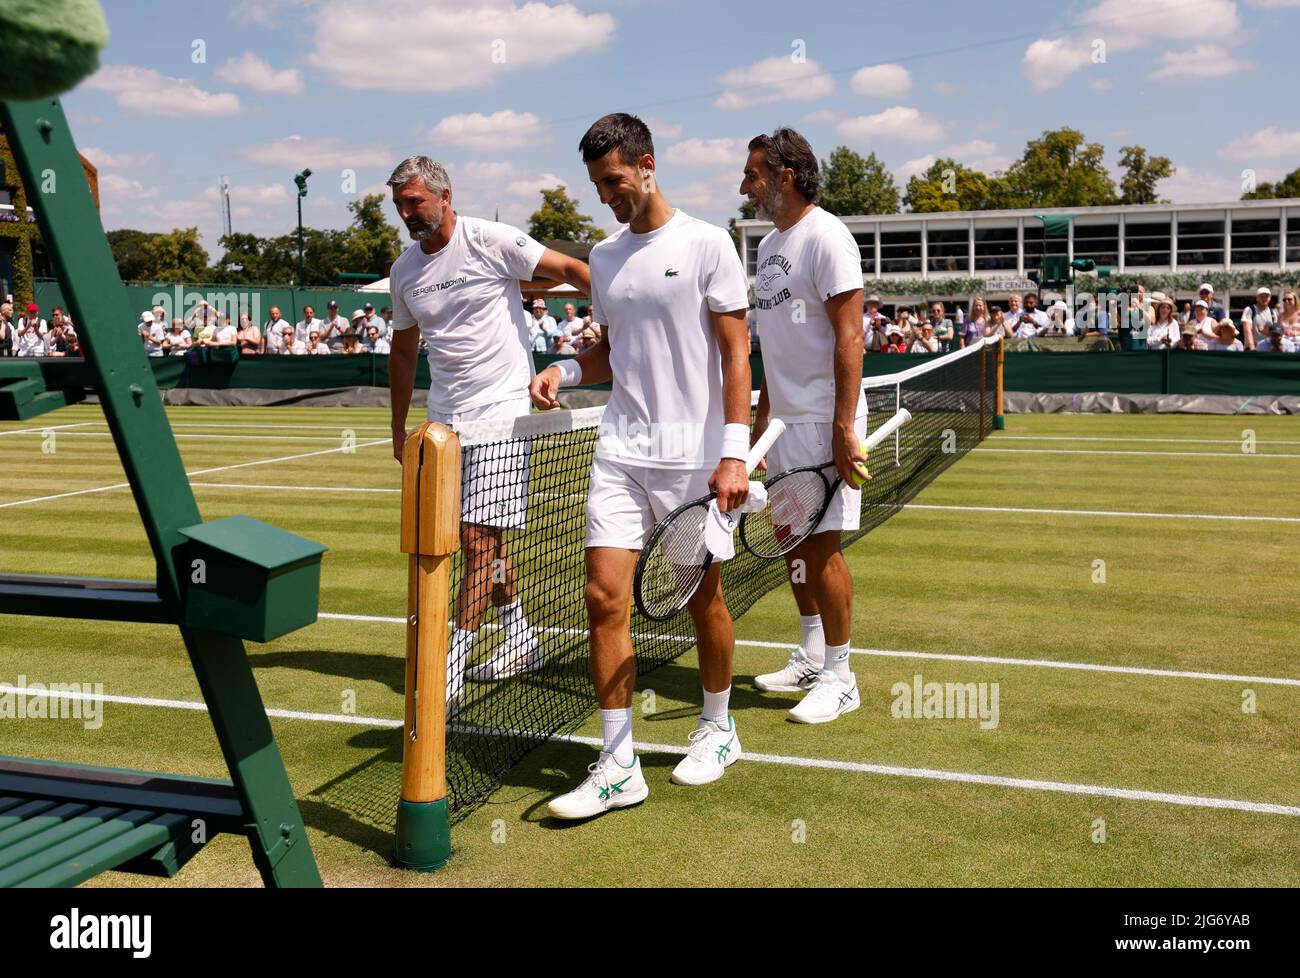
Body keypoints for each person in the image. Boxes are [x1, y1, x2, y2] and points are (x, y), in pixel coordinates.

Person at [528, 114, 750, 817]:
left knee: (700, 596)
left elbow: (737, 354)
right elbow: (610, 352)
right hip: (622, 451)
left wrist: (734, 452)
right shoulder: (606, 256)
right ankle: (619, 762)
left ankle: (718, 725)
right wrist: (565, 367)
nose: (605, 196)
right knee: (603, 597)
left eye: (614, 181)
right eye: (596, 184)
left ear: (648, 164)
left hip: (693, 458)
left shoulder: (709, 243)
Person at [386, 154, 591, 706]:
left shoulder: (491, 239)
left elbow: (575, 271)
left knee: (476, 541)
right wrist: (397, 424)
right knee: (481, 539)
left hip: (503, 412)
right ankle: (520, 635)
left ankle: (451, 660)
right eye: (400, 204)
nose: (407, 213)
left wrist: (621, 323)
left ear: (445, 196)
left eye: (416, 202)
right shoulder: (404, 270)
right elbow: (403, 353)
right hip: (444, 421)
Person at [737, 127, 867, 723]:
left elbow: (850, 335)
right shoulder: (767, 249)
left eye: (753, 174)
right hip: (785, 423)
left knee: (822, 550)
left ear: (785, 177)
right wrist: (762, 425)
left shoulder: (828, 236)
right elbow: (775, 344)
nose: (745, 186)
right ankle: (814, 652)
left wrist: (844, 427)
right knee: (791, 542)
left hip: (823, 422)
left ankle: (842, 675)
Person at [1240, 287, 1275, 351]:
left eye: (1266, 296)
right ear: (1257, 298)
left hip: (1268, 348)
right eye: (1261, 296)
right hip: (1254, 348)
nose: (1264, 298)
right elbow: (1247, 330)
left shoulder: (1273, 312)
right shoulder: (1250, 310)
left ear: (1270, 298)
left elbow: (1275, 332)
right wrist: (1252, 347)